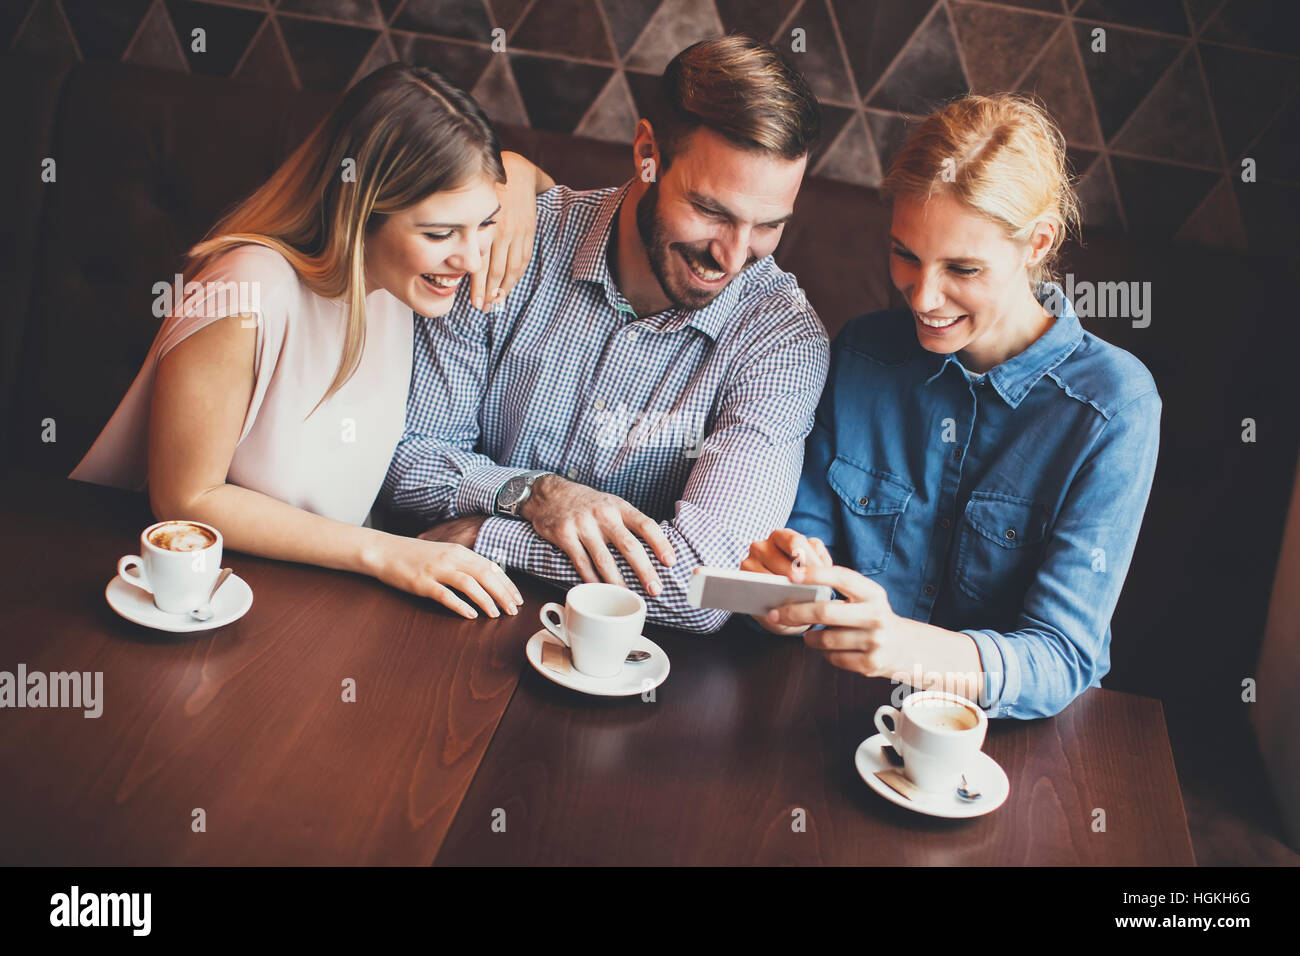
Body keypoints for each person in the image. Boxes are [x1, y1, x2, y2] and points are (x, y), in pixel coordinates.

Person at [70, 63, 556, 620]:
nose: (471, 261)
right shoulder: (247, 294)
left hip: (306, 602)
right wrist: (384, 552)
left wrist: (515, 174)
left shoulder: (398, 285)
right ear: (359, 213)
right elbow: (187, 500)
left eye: (486, 225)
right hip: (182, 599)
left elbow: (560, 192)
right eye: (440, 233)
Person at [382, 36, 830, 633]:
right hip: (438, 619)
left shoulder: (782, 338)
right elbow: (406, 458)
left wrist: (489, 533)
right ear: (648, 153)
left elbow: (714, 585)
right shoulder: (513, 242)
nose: (732, 256)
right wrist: (535, 495)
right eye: (711, 211)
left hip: (631, 675)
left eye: (768, 226)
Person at [742, 93, 1161, 719]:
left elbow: (1063, 657)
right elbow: (808, 545)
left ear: (1038, 242)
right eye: (905, 255)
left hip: (1016, 747)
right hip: (842, 713)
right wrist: (785, 590)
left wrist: (911, 650)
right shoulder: (862, 353)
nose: (923, 297)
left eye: (962, 268)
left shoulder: (1113, 406)